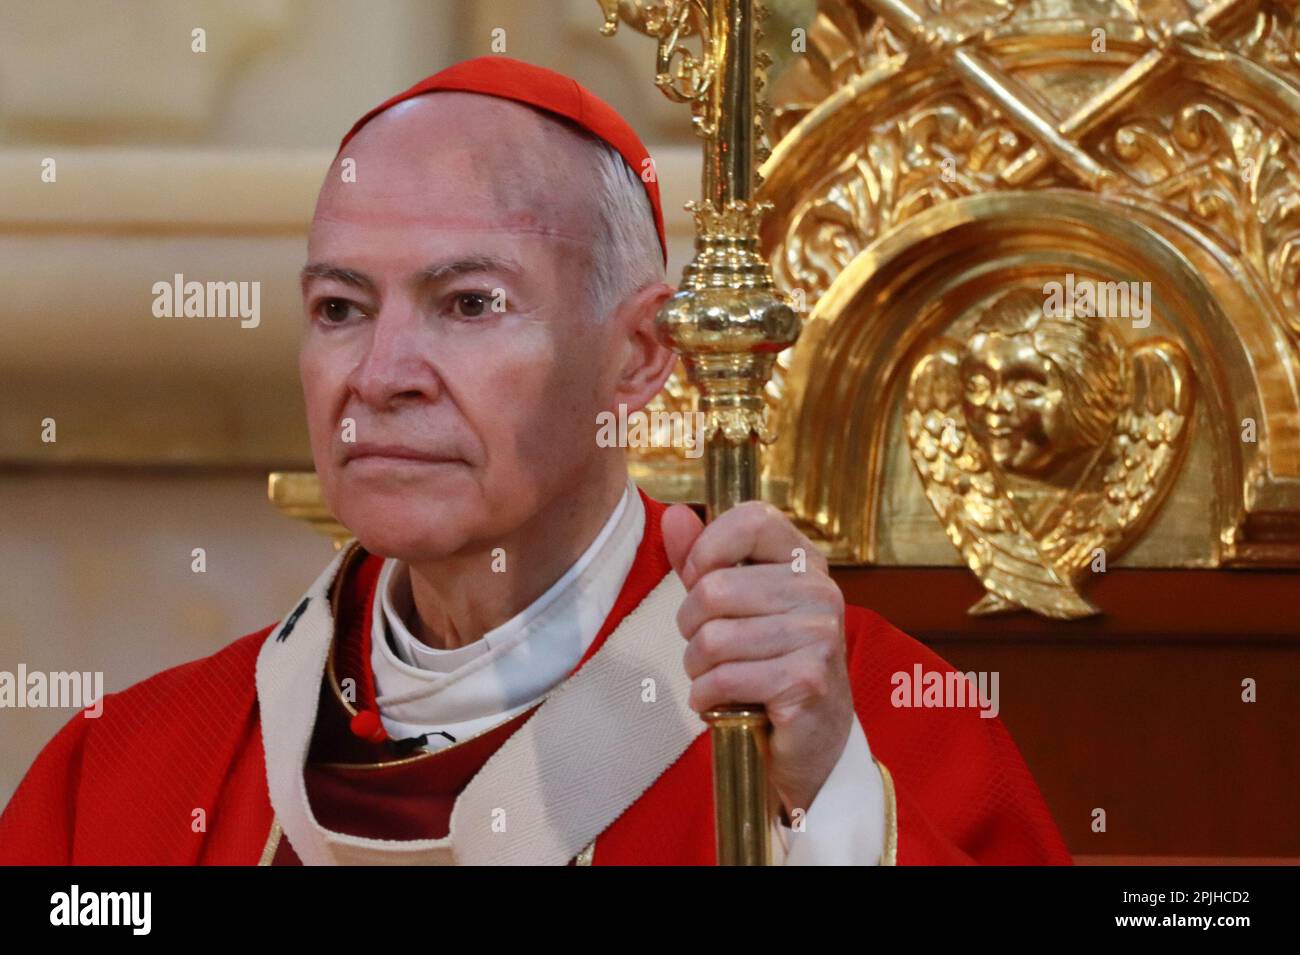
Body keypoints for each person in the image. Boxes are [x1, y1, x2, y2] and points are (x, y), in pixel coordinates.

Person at [0, 57, 1070, 865]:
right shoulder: (140, 770)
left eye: (468, 304)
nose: (380, 375)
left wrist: (819, 803)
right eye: (339, 307)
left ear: (639, 356)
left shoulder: (840, 715)